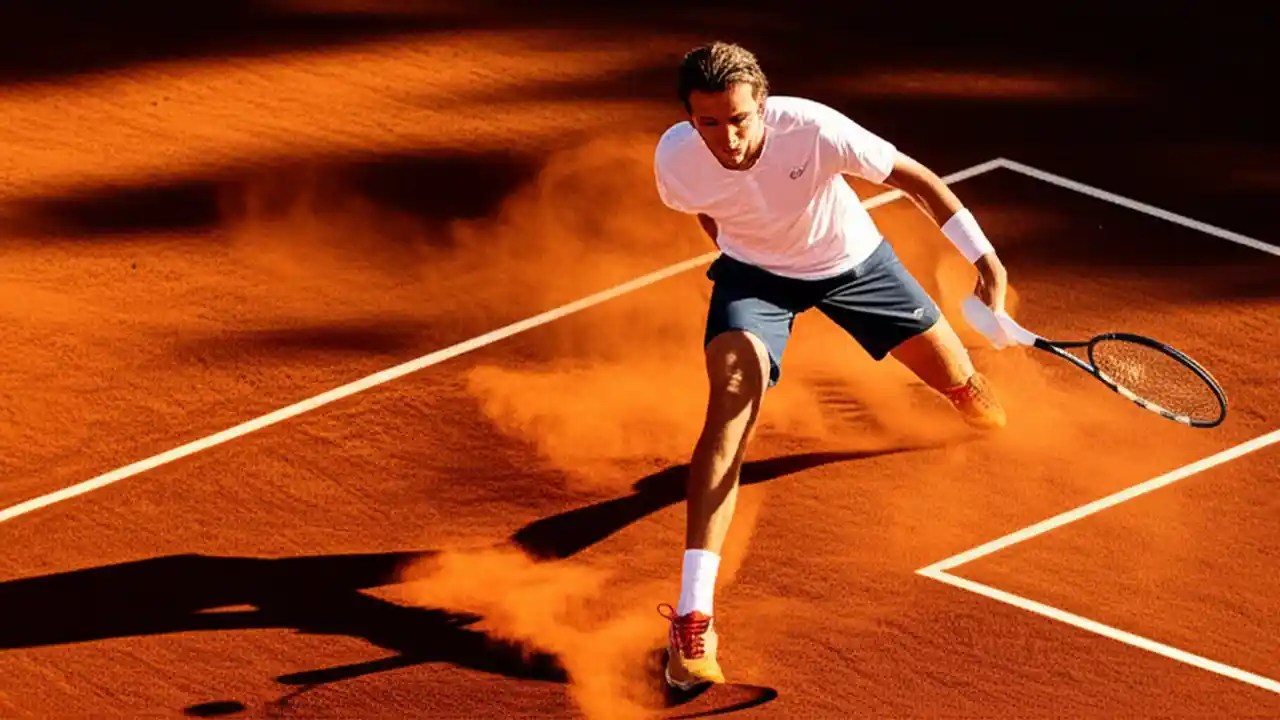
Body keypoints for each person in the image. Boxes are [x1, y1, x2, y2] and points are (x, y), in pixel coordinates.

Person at [651, 41, 1010, 690]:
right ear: (688, 118)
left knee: (971, 396)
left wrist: (987, 263)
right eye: (709, 123)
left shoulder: (815, 130)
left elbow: (916, 179)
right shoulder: (676, 160)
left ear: (763, 105)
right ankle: (693, 617)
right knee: (730, 405)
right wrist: (747, 259)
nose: (727, 139)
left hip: (854, 265)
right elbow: (710, 209)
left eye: (739, 120)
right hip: (754, 281)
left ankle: (962, 382)